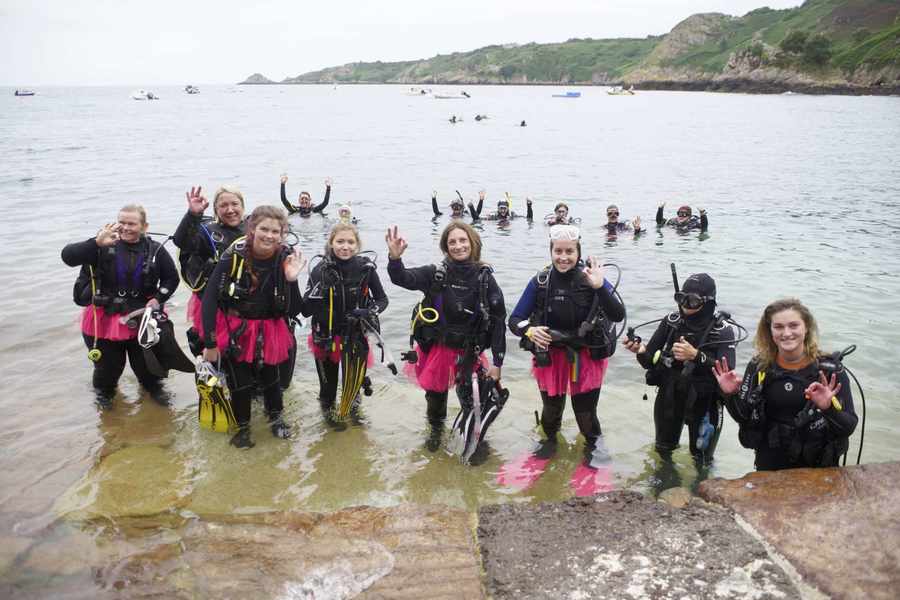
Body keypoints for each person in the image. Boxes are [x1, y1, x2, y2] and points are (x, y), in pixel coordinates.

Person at [386, 222, 506, 451]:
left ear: (473, 243)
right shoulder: (435, 274)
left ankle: (474, 441)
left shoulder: (485, 279)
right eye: (452, 242)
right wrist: (394, 259)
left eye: (463, 240)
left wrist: (498, 362)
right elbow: (402, 278)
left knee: (472, 404)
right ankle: (435, 436)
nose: (458, 246)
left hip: (470, 353)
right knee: (435, 403)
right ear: (445, 247)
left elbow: (500, 320)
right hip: (438, 351)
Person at [508, 225, 625, 459]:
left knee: (585, 413)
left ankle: (594, 452)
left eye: (569, 251)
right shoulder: (540, 281)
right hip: (551, 357)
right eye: (558, 251)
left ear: (578, 252)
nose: (563, 257)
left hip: (585, 358)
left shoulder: (591, 278)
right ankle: (548, 447)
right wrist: (530, 331)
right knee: (551, 412)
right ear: (551, 252)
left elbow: (618, 314)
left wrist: (600, 287)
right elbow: (514, 320)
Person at [201, 206, 306, 449]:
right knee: (241, 381)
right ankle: (243, 427)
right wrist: (210, 343)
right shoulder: (233, 255)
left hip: (271, 326)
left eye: (275, 231)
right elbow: (209, 300)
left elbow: (295, 310)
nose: (269, 236)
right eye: (264, 229)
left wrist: (292, 280)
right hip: (237, 326)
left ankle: (276, 418)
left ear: (283, 233)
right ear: (252, 229)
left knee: (272, 377)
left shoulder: (286, 256)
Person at [713, 298, 857, 471]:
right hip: (770, 464)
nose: (786, 333)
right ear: (769, 331)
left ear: (807, 328)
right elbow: (744, 417)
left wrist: (828, 408)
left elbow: (848, 427)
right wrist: (730, 395)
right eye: (778, 327)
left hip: (818, 468)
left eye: (794, 325)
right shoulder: (760, 367)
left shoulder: (829, 371)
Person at [62, 204, 180, 408]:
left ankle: (155, 397)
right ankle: (105, 405)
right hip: (103, 321)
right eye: (121, 222)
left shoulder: (156, 250)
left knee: (148, 371)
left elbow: (171, 278)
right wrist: (96, 243)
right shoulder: (101, 246)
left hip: (142, 319)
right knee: (107, 372)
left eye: (131, 223)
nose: (125, 227)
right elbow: (68, 256)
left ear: (144, 226)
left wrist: (158, 299)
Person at [622, 273, 735, 465]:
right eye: (681, 298)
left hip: (705, 401)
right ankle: (662, 490)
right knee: (663, 452)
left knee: (702, 459)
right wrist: (640, 351)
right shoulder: (671, 321)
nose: (685, 305)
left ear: (708, 302)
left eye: (692, 301)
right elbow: (650, 361)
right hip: (671, 396)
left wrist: (696, 356)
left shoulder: (722, 330)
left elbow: (728, 373)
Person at [302, 223, 388, 421]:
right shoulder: (320, 270)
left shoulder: (366, 269)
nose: (345, 246)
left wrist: (368, 311)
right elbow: (305, 310)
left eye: (350, 242)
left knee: (353, 386)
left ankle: (354, 414)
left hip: (355, 335)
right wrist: (317, 292)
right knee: (328, 388)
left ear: (357, 245)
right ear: (331, 243)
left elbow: (383, 300)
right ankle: (328, 419)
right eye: (340, 241)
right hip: (326, 336)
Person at [173, 186, 246, 353]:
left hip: (245, 307)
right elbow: (181, 241)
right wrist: (193, 215)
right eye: (223, 205)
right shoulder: (206, 233)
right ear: (215, 209)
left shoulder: (254, 229)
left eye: (235, 204)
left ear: (242, 206)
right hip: (215, 308)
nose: (230, 210)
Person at [469, 193, 534, 223]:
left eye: (504, 208)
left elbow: (529, 218)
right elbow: (476, 218)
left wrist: (529, 206)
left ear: (508, 209)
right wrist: (471, 207)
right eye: (501, 208)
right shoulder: (494, 217)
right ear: (498, 209)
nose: (503, 211)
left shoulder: (512, 216)